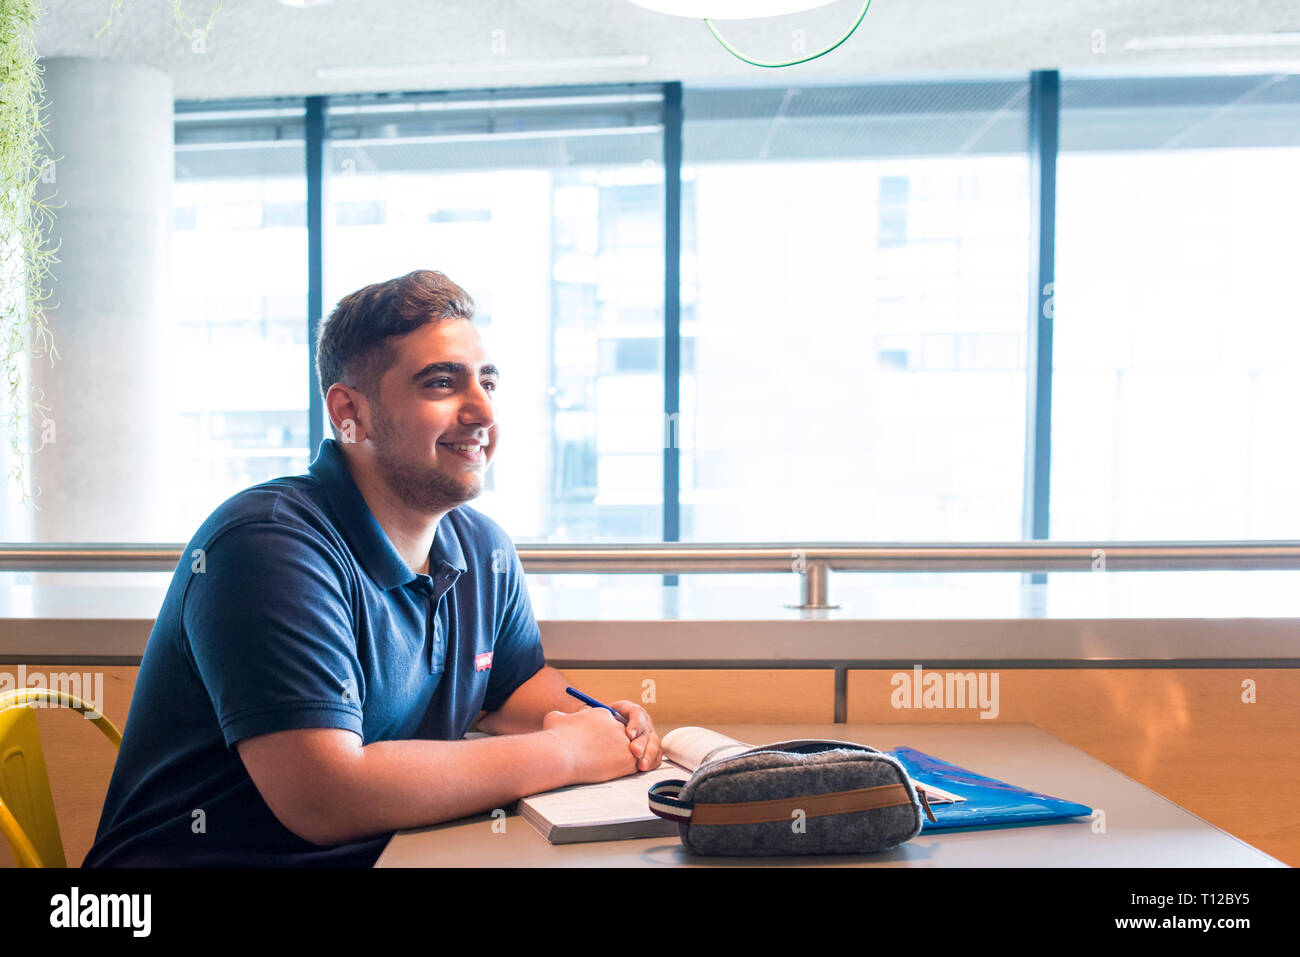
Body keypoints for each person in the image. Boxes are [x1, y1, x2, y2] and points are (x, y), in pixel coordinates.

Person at [84, 269, 662, 867]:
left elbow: (512, 688)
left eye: (488, 382)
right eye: (442, 383)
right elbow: (325, 794)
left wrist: (600, 722)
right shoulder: (266, 549)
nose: (482, 410)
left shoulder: (482, 548)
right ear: (348, 412)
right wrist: (565, 753)